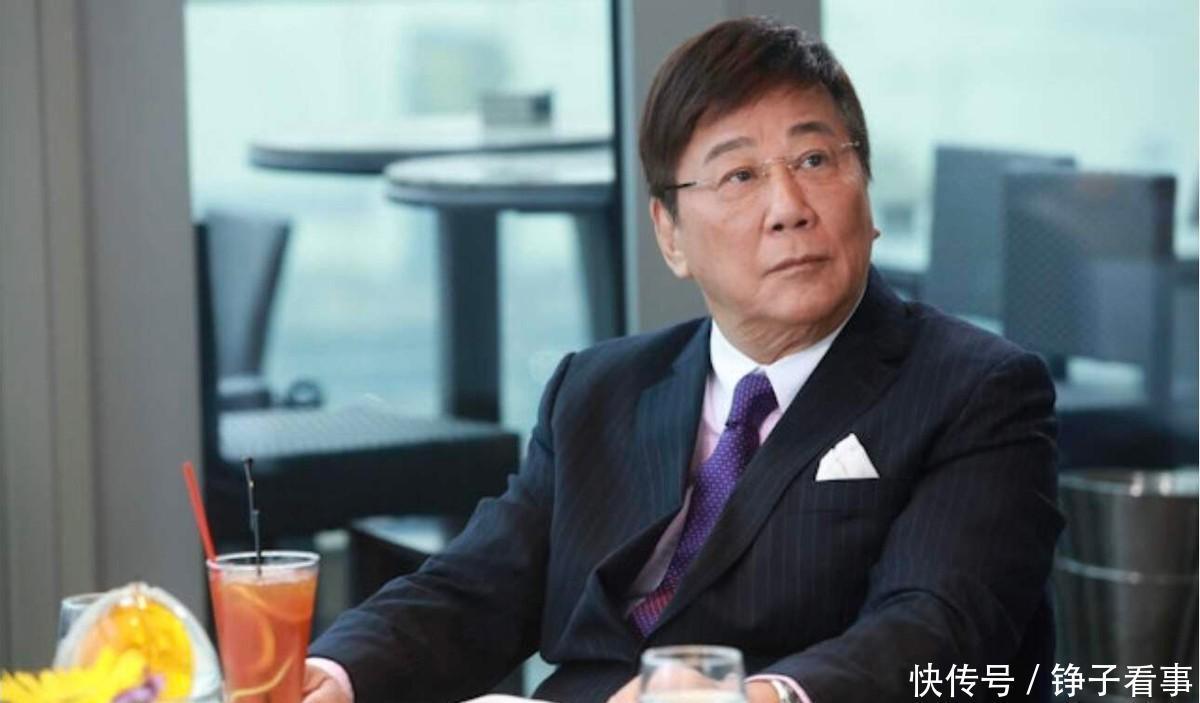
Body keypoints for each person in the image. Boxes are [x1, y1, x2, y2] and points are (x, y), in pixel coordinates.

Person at [302, 16, 1063, 703]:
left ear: (865, 189)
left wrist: (749, 698)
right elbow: (477, 587)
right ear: (670, 234)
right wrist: (335, 674)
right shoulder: (597, 390)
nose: (788, 207)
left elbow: (935, 629)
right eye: (740, 175)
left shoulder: (976, 389)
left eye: (815, 159)